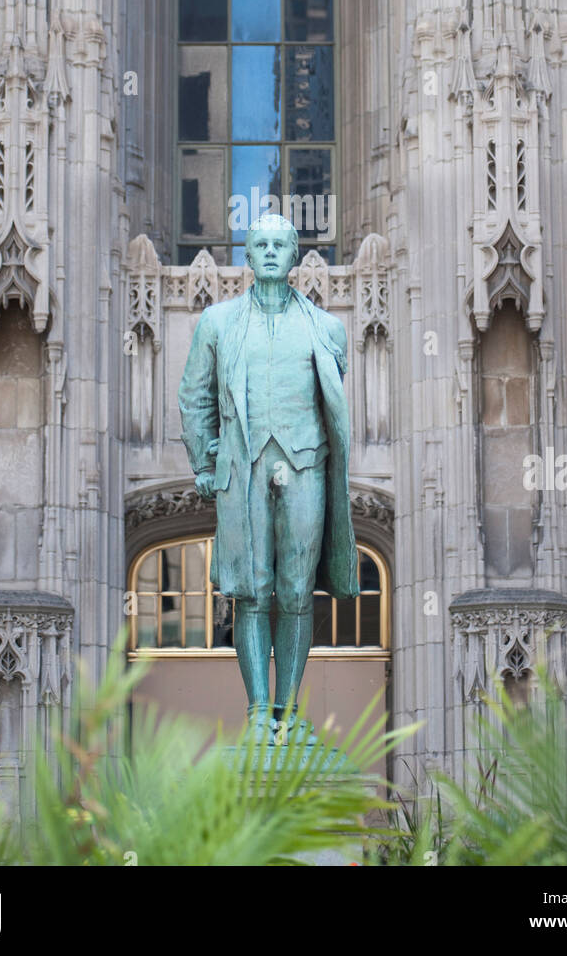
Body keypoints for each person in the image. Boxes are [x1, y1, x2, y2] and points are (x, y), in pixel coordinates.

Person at [178, 214, 359, 742]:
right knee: (251, 590)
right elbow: (196, 396)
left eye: (282, 244)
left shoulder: (327, 327)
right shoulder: (217, 322)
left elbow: (329, 400)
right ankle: (259, 711)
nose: (273, 252)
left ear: (296, 254)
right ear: (248, 256)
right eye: (262, 244)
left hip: (305, 465)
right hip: (245, 466)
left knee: (297, 591)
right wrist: (204, 463)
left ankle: (287, 709)